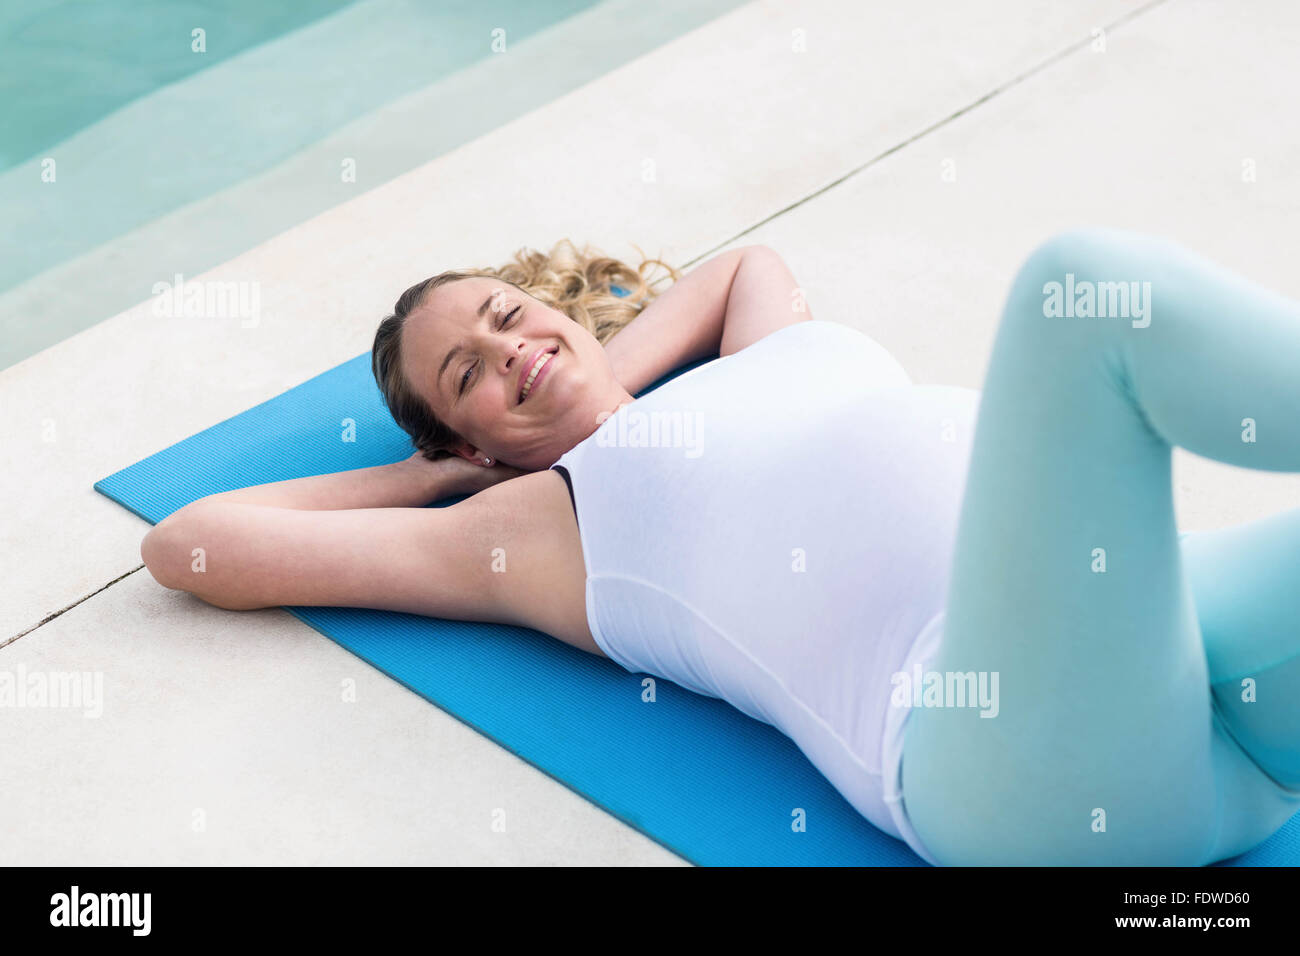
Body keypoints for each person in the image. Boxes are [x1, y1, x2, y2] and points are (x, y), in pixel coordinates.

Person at [140, 231, 1300, 865]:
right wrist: (430, 474)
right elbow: (191, 545)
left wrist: (601, 374)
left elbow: (749, 262)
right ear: (471, 441)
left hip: (1184, 688)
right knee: (1075, 297)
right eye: (471, 376)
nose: (512, 352)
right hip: (998, 754)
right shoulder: (537, 524)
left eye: (508, 316)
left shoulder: (757, 357)